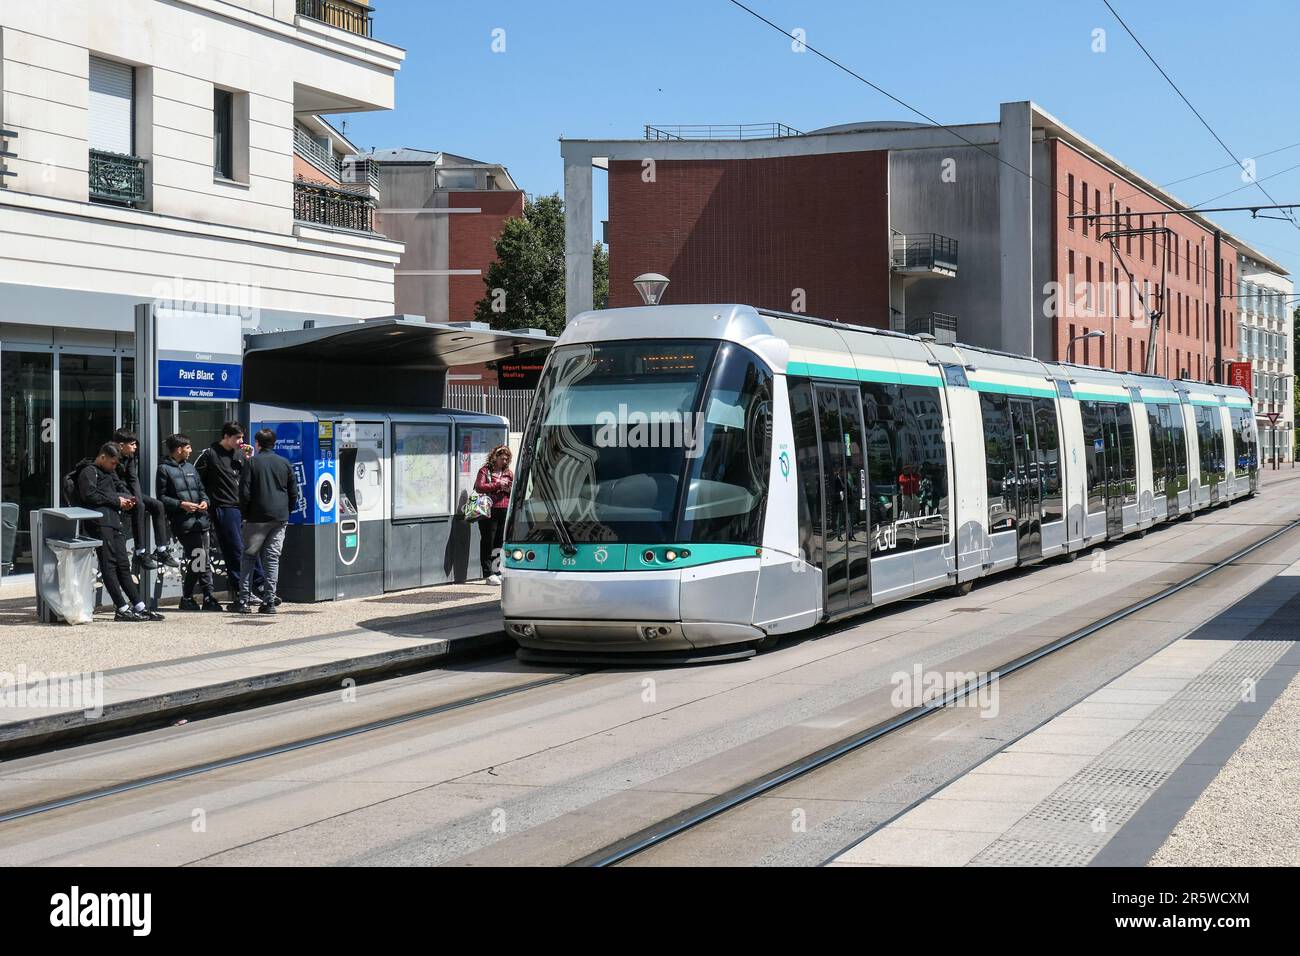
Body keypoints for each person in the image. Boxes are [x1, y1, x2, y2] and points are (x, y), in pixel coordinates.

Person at [77, 442, 163, 622]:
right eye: (113, 463)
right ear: (102, 457)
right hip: (99, 523)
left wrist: (128, 499)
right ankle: (121, 608)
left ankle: (139, 605)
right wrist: (117, 501)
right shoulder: (89, 472)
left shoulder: (110, 473)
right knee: (109, 565)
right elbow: (89, 495)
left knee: (123, 564)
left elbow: (119, 488)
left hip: (114, 522)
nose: (114, 466)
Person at [195, 422, 265, 601]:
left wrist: (250, 459)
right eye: (237, 438)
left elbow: (251, 479)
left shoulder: (241, 454)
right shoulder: (210, 454)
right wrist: (205, 501)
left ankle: (260, 584)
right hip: (224, 506)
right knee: (234, 548)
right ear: (226, 436)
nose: (241, 441)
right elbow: (196, 481)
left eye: (242, 437)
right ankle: (242, 589)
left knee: (252, 546)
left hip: (243, 507)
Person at [232, 428, 299, 615]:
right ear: (274, 443)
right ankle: (269, 602)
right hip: (279, 518)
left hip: (256, 517)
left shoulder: (252, 463)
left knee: (249, 557)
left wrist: (245, 514)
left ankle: (244, 601)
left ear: (257, 443)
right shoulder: (284, 463)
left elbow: (244, 492)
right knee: (272, 559)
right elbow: (293, 492)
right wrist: (286, 511)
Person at [156, 433, 222, 612]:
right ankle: (195, 596)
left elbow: (202, 490)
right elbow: (161, 497)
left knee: (202, 559)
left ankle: (200, 596)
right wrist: (181, 505)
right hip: (183, 522)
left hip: (201, 521)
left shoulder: (190, 467)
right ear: (179, 449)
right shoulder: (164, 469)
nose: (191, 451)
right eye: (188, 447)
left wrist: (205, 501)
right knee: (199, 557)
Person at [112, 428, 178, 571]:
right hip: (114, 492)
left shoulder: (129, 456)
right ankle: (140, 552)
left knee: (157, 505)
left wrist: (137, 496)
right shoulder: (111, 455)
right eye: (132, 444)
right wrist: (135, 500)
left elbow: (133, 478)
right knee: (139, 506)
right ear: (121, 445)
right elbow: (114, 482)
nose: (135, 447)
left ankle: (161, 549)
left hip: (128, 491)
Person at [474, 444, 513, 585]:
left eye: (507, 459)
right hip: (488, 510)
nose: (505, 461)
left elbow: (514, 489)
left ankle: (497, 571)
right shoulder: (485, 471)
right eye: (502, 458)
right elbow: (479, 487)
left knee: (499, 541)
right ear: (495, 458)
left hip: (504, 509)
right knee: (487, 541)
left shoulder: (508, 472)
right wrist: (497, 485)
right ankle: (487, 573)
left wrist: (509, 488)